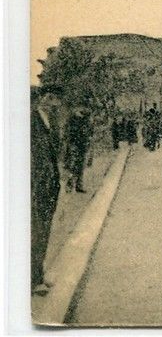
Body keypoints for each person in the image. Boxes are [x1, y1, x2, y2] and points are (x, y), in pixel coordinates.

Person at [31, 88, 63, 296]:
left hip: (47, 185)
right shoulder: (31, 122)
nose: (56, 105)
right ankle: (34, 281)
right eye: (53, 100)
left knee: (43, 232)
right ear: (45, 99)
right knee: (36, 232)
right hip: (37, 187)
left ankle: (38, 275)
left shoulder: (48, 120)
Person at [64, 104, 92, 193]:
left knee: (81, 166)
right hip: (74, 144)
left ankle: (78, 185)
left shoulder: (86, 119)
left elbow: (89, 132)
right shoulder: (73, 118)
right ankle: (70, 185)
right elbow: (68, 132)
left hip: (82, 144)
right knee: (72, 165)